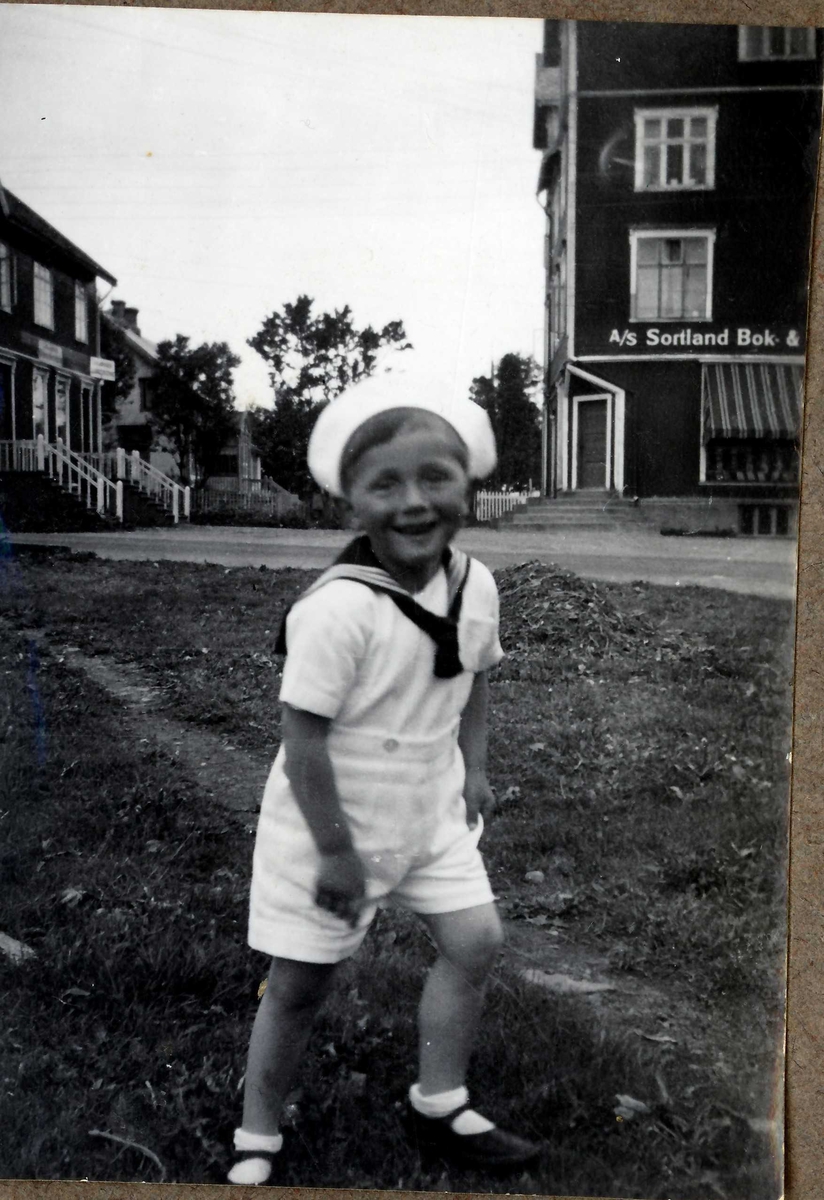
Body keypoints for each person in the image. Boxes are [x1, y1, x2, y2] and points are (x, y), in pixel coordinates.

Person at [227, 364, 541, 1185]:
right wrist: (336, 853)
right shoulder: (336, 607)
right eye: (385, 484)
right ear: (351, 504)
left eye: (435, 478)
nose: (413, 501)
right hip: (329, 819)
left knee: (475, 941)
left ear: (469, 487)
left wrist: (474, 769)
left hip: (429, 809)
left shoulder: (477, 585)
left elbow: (474, 678)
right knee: (300, 983)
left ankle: (440, 1099)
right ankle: (257, 1133)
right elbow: (302, 740)